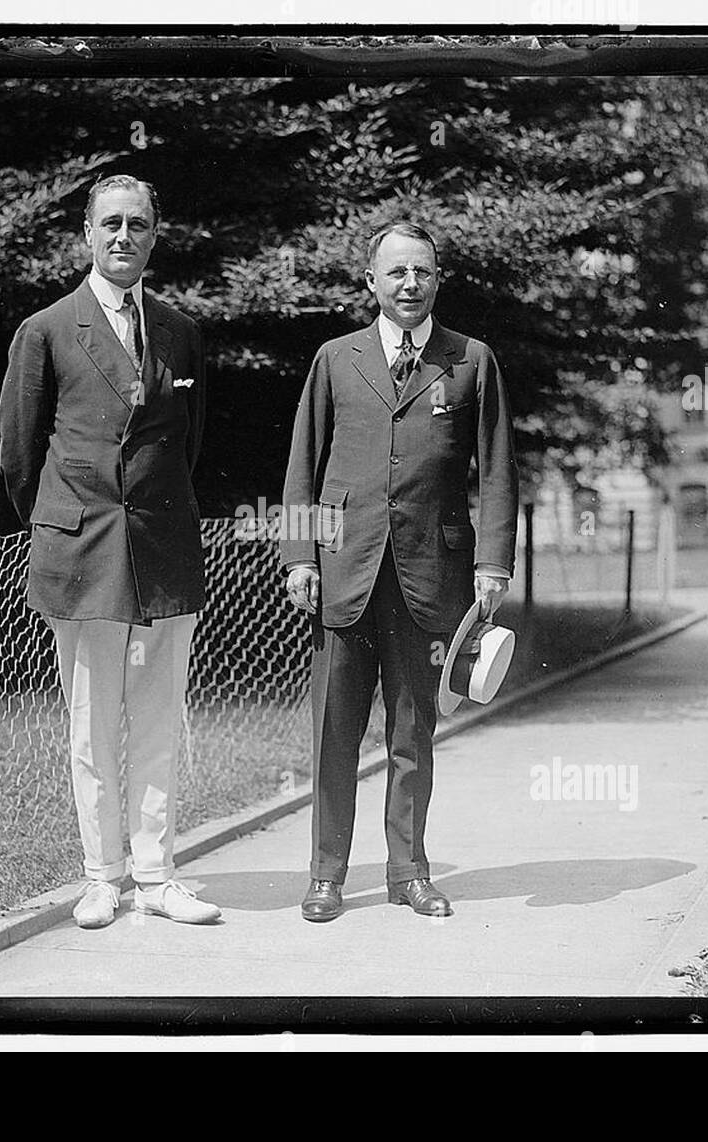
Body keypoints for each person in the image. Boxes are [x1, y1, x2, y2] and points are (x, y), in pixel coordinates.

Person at [0, 173, 220, 929]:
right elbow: (19, 456)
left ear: (156, 235)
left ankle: (156, 876)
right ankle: (102, 877)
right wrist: (66, 522)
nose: (123, 237)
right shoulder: (48, 329)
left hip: (163, 548)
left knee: (159, 715)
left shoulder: (181, 330)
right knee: (91, 722)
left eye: (138, 224)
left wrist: (146, 512)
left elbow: (186, 448)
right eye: (110, 224)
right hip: (83, 550)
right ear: (86, 235)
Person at [281, 220, 518, 922]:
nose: (409, 284)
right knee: (334, 734)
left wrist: (491, 563)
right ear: (371, 283)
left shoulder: (471, 360)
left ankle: (409, 872)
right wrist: (299, 555)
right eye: (396, 273)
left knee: (413, 732)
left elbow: (498, 470)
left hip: (432, 577)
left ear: (437, 279)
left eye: (422, 272)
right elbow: (304, 465)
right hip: (344, 573)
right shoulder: (335, 359)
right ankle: (326, 875)